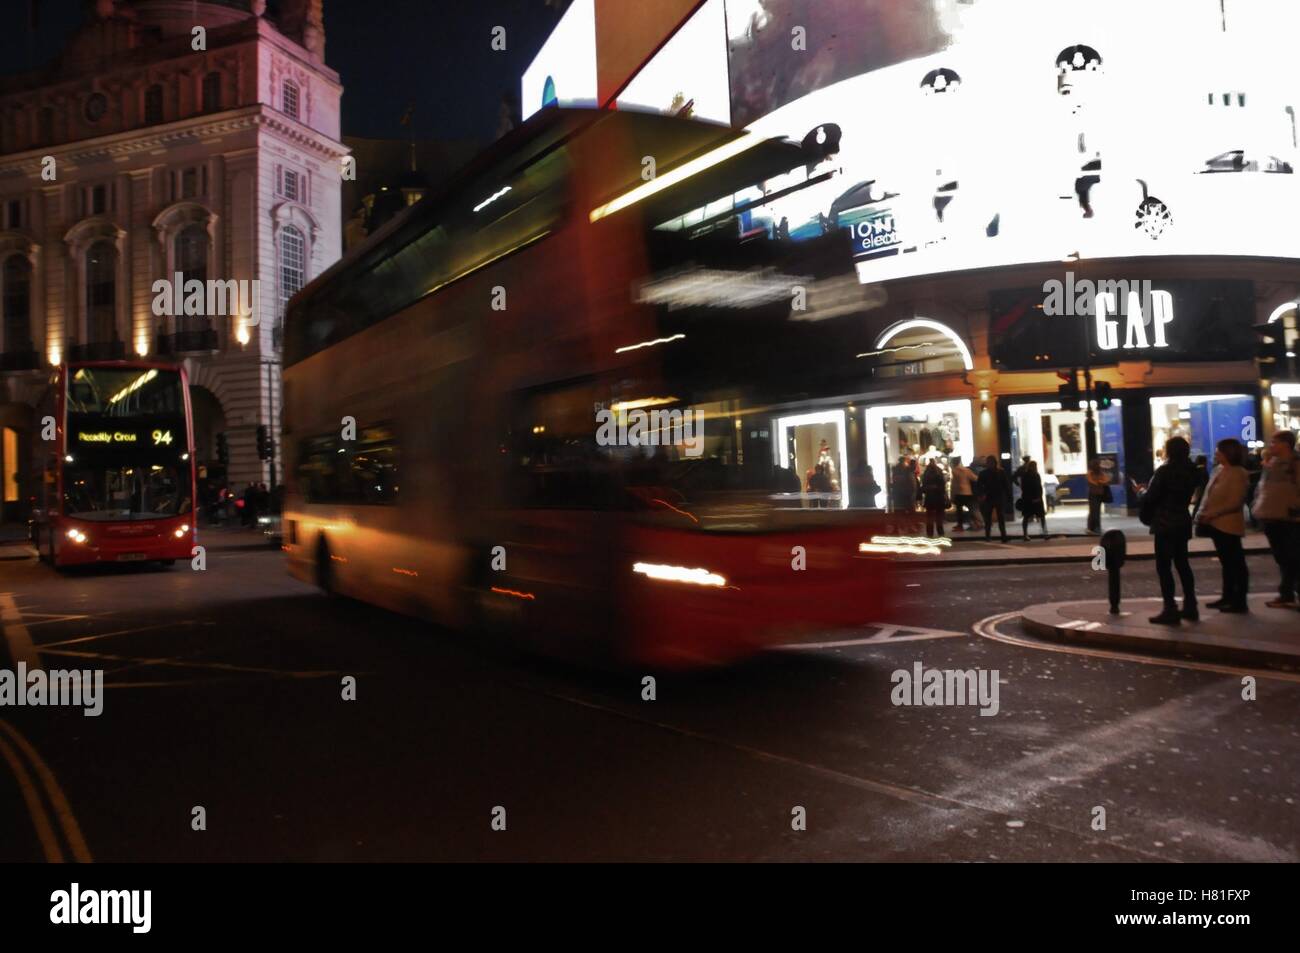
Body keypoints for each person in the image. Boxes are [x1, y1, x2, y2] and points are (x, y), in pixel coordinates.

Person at [1140, 436, 1200, 626]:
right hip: (1182, 520)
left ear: (1169, 451)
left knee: (1164, 567)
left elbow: (1151, 497)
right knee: (1183, 564)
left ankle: (1170, 608)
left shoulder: (1164, 471)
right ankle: (1191, 605)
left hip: (1164, 523)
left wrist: (1141, 493)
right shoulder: (1192, 471)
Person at [1194, 438, 1250, 613]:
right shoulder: (1218, 470)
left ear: (1228, 453)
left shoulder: (1238, 473)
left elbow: (1235, 501)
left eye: (1219, 450)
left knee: (1235, 563)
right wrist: (1201, 514)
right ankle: (1227, 596)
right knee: (1227, 563)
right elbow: (1208, 495)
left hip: (1228, 524)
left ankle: (1239, 600)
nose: (1216, 453)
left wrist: (1212, 513)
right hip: (1214, 523)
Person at [1251, 430, 1300, 609]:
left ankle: (1288, 593)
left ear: (1285, 445)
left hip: (1288, 517)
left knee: (1292, 558)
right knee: (1282, 558)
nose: (1270, 446)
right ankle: (1286, 593)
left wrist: (1294, 509)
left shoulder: (1295, 463)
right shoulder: (1272, 463)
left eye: (1274, 442)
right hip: (1271, 516)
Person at [975, 455, 1011, 543]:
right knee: (988, 519)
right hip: (989, 497)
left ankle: (1003, 536)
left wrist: (1008, 496)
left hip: (998, 497)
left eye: (991, 463)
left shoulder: (1000, 472)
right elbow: (979, 486)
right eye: (989, 463)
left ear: (995, 463)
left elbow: (1006, 485)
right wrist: (981, 494)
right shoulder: (984, 473)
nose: (990, 464)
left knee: (1000, 518)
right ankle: (989, 536)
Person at [1018, 460, 1048, 539]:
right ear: (1030, 467)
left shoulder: (1036, 475)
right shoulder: (1025, 476)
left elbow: (1039, 487)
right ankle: (1025, 534)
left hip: (1037, 499)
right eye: (1033, 466)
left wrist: (1039, 497)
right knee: (1026, 517)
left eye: (1035, 466)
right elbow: (1025, 488)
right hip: (1029, 500)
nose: (1035, 467)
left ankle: (1045, 533)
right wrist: (1032, 499)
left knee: (1042, 517)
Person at [949, 456, 978, 530]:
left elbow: (954, 484)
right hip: (968, 492)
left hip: (959, 493)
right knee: (972, 509)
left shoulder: (954, 471)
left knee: (959, 510)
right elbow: (975, 478)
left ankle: (960, 525)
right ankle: (977, 523)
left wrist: (952, 495)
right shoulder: (966, 470)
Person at [921, 459, 947, 538]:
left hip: (930, 498)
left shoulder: (926, 474)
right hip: (939, 497)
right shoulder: (939, 473)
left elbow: (923, 487)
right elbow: (942, 486)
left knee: (930, 516)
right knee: (939, 517)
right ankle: (940, 532)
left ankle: (930, 533)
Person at [1086, 459, 1109, 535]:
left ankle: (1096, 527)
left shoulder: (1101, 473)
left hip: (1099, 494)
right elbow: (1091, 481)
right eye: (1097, 465)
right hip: (1093, 494)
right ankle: (1092, 527)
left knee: (1096, 511)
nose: (1098, 466)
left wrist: (1100, 481)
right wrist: (1099, 481)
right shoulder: (1090, 473)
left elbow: (1105, 480)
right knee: (1093, 511)